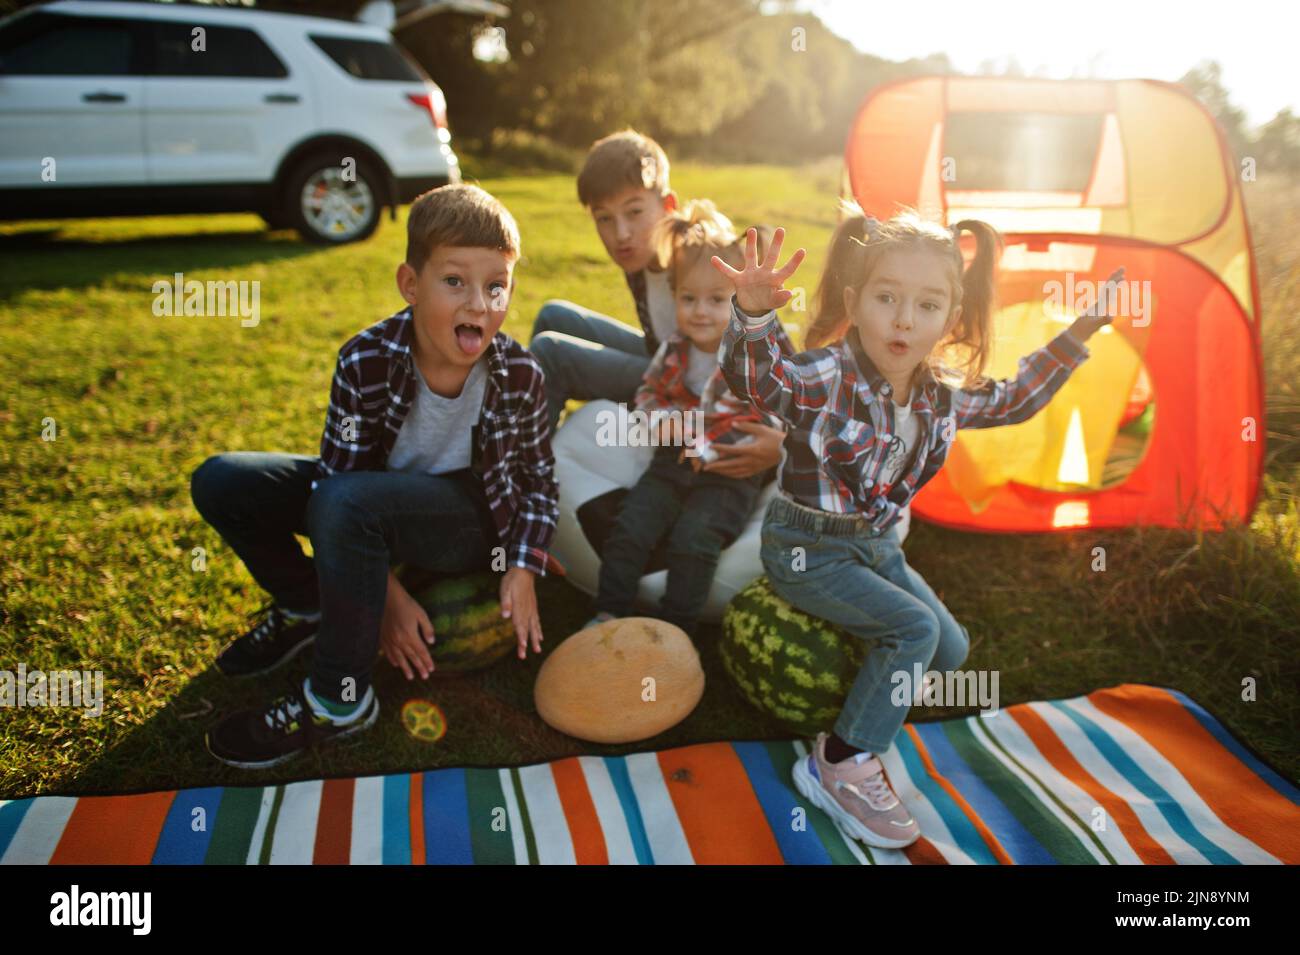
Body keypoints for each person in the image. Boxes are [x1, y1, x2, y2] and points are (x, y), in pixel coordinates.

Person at [715, 207, 1124, 847]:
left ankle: (871, 690)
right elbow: (759, 379)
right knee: (916, 628)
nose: (904, 320)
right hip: (808, 549)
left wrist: (1081, 331)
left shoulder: (941, 394)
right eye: (886, 298)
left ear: (949, 318)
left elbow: (1016, 397)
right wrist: (754, 315)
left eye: (927, 305)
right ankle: (841, 760)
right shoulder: (826, 377)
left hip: (872, 546)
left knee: (949, 652)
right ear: (855, 300)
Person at [189, 184, 558, 769]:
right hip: (369, 502)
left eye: (496, 286)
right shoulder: (365, 359)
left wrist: (522, 563)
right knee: (223, 481)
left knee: (348, 504)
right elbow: (337, 480)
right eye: (454, 282)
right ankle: (309, 604)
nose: (479, 305)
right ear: (410, 285)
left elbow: (538, 479)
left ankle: (340, 698)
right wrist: (383, 598)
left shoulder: (520, 373)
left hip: (465, 521)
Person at [529, 128, 786, 481]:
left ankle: (526, 477)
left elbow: (770, 340)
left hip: (694, 386)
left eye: (634, 212)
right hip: (666, 355)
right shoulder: (636, 258)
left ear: (668, 207)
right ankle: (524, 432)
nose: (621, 233)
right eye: (605, 218)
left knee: (552, 353)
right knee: (552, 315)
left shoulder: (698, 257)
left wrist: (785, 440)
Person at [585, 201, 785, 637]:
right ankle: (608, 613)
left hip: (730, 472)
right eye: (688, 298)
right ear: (673, 296)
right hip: (673, 460)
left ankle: (674, 632)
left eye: (717, 300)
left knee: (694, 541)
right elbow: (647, 392)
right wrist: (661, 420)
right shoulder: (675, 348)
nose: (700, 311)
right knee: (631, 528)